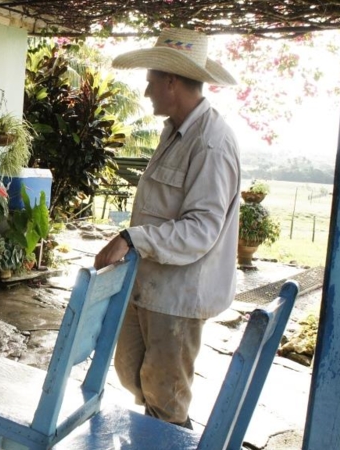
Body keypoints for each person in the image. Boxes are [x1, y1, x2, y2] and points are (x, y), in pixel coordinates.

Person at [94, 28, 241, 428]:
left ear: (171, 82)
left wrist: (130, 238)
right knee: (134, 376)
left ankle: (168, 436)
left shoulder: (211, 142)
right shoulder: (176, 131)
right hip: (149, 286)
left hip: (178, 296)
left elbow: (201, 229)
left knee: (166, 401)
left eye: (151, 82)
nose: (147, 92)